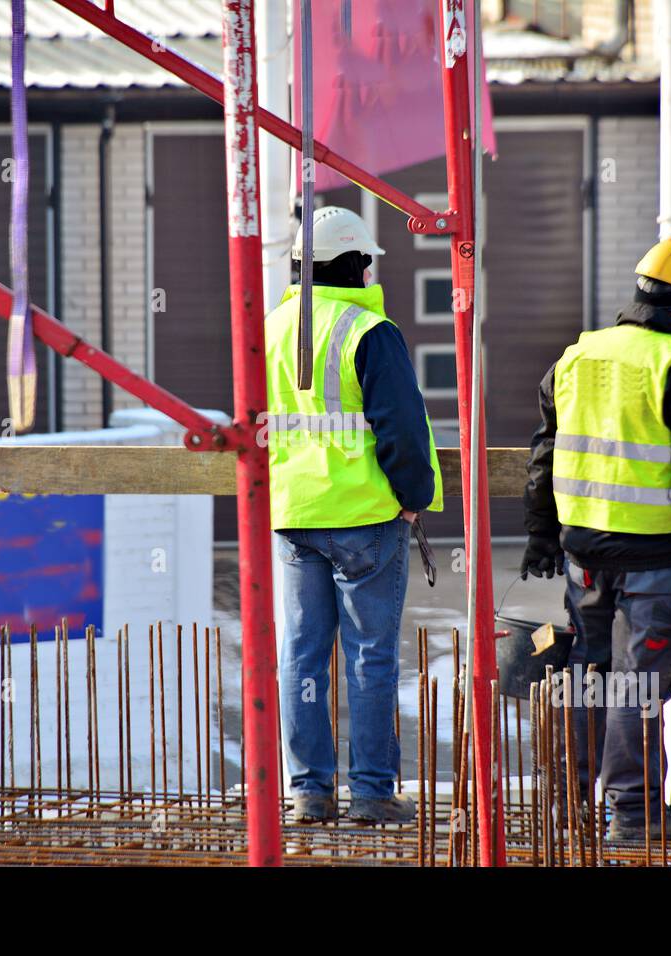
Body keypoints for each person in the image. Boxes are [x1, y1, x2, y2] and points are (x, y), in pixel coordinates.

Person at [520, 237, 671, 840]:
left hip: (583, 551)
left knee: (589, 674)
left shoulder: (576, 357)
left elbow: (545, 454)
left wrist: (541, 533)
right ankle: (636, 814)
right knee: (637, 682)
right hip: (656, 555)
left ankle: (570, 808)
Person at [265, 206, 443, 823]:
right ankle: (371, 794)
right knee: (370, 655)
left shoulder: (271, 329)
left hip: (294, 515)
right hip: (365, 518)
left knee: (302, 656)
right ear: (354, 264)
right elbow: (402, 428)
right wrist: (415, 496)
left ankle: (308, 792)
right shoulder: (371, 332)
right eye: (366, 262)